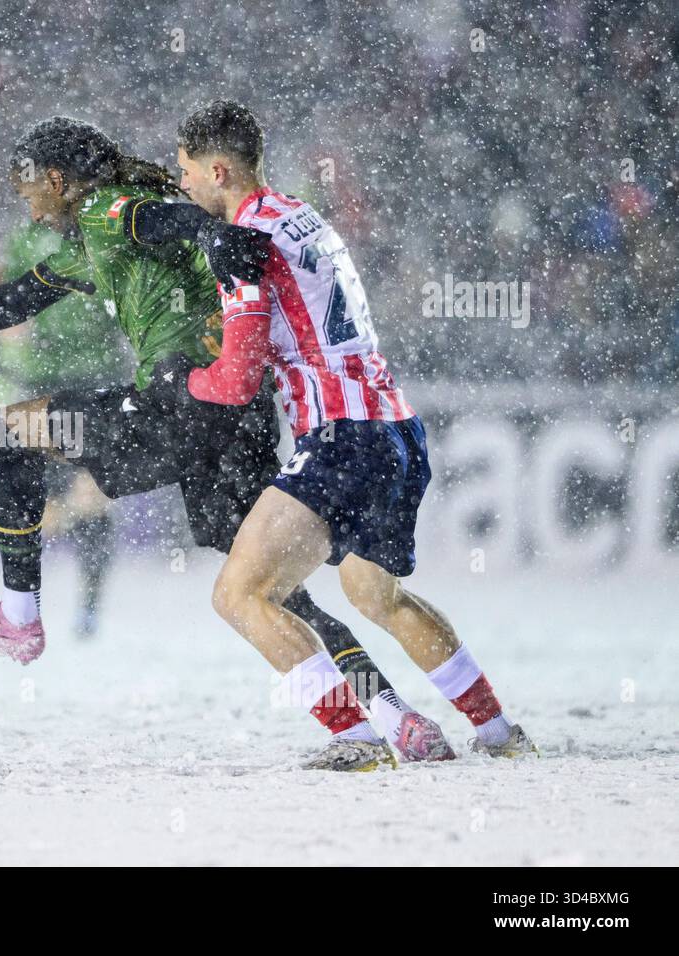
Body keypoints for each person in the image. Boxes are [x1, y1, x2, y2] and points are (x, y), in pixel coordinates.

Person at [0, 117, 455, 765]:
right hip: (238, 413)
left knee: (14, 429)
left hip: (180, 403)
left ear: (56, 180)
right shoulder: (90, 244)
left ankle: (20, 615)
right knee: (276, 593)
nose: (23, 201)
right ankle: (396, 716)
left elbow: (162, 221)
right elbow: (10, 304)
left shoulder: (108, 211)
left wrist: (211, 231)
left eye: (26, 188)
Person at [164, 99, 535, 767]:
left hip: (340, 438)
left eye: (186, 169)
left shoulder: (240, 248)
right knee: (375, 594)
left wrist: (182, 381)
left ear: (218, 169)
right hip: (395, 427)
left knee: (240, 594)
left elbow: (238, 380)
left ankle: (357, 740)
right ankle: (500, 733)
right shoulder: (299, 214)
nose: (181, 181)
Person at [0, 220, 126, 638]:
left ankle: (88, 609)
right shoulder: (25, 240)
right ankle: (23, 611)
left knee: (93, 496)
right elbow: (9, 306)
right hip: (41, 382)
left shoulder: (109, 236)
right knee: (46, 509)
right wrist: (11, 338)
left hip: (98, 380)